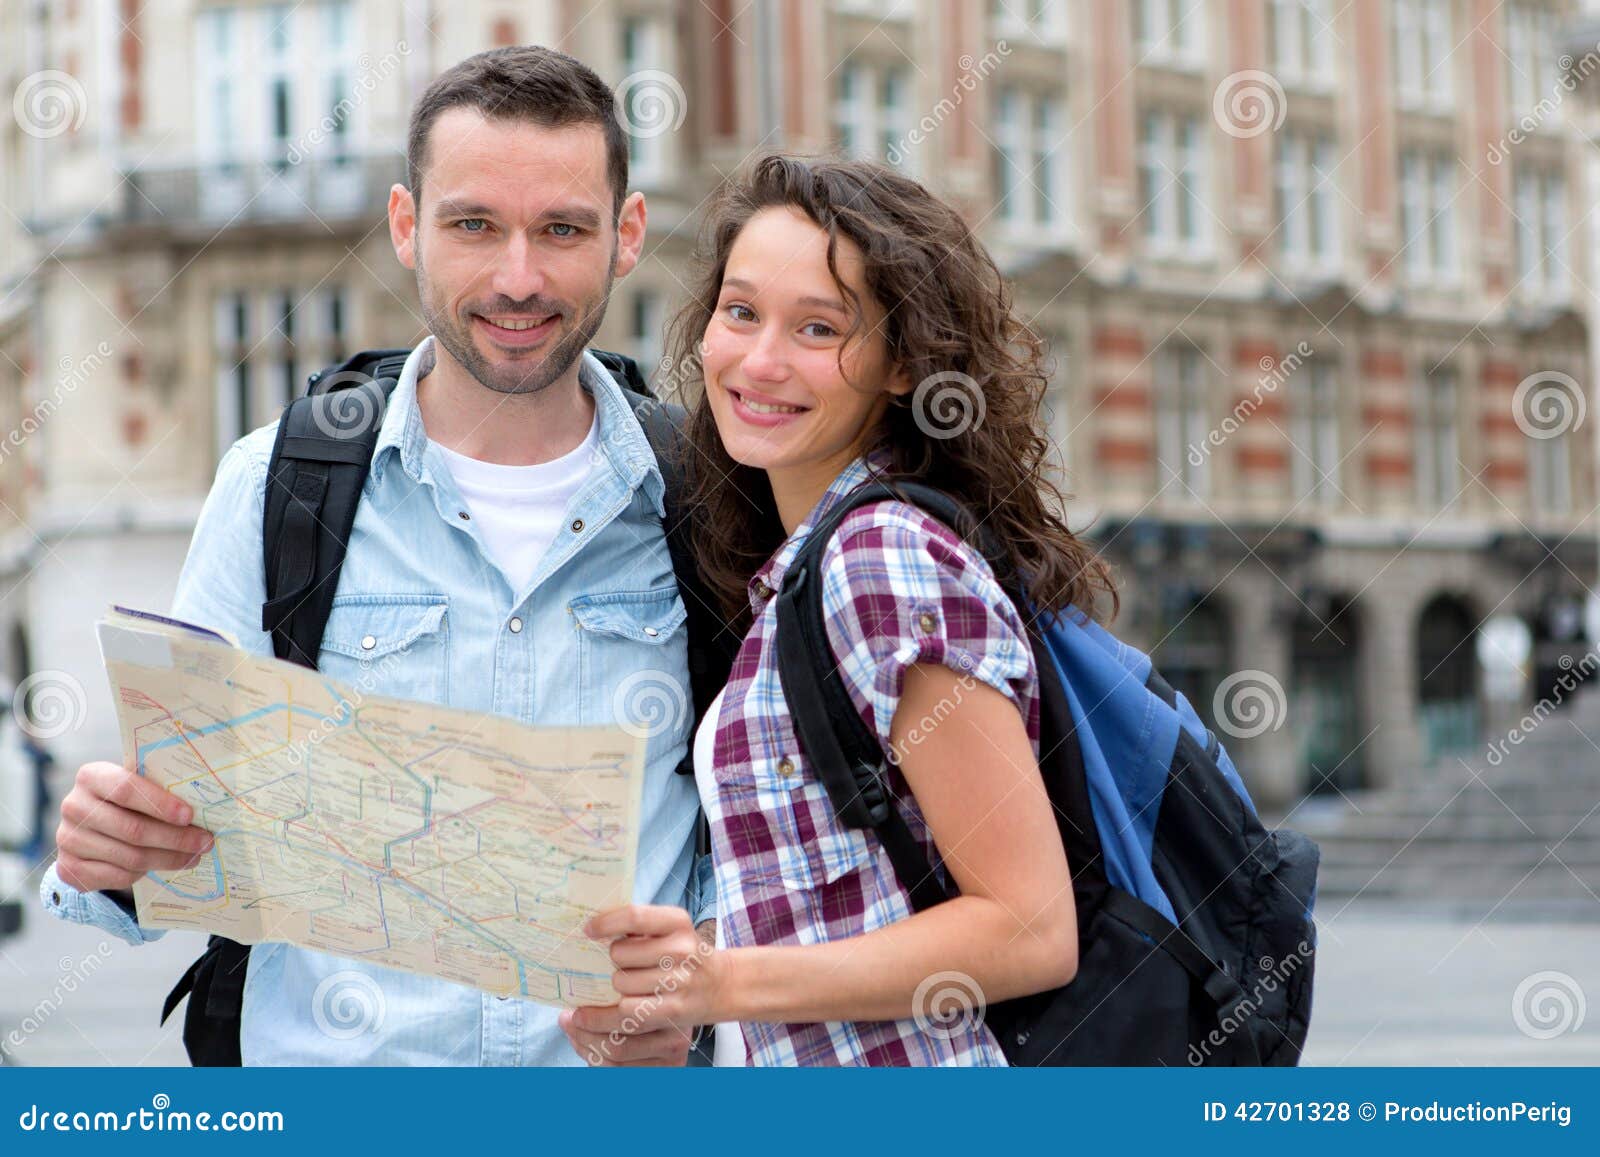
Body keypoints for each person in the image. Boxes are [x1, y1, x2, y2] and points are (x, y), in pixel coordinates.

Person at [41, 46, 711, 1066]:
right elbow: (174, 841)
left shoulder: (707, 501)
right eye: (473, 225)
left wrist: (708, 993)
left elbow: (766, 848)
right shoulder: (272, 486)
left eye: (562, 229)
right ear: (407, 227)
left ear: (627, 235)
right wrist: (111, 851)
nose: (518, 279)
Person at [561, 155, 1118, 1066]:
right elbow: (851, 895)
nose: (760, 361)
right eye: (741, 312)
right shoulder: (807, 560)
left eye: (819, 328)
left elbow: (1028, 927)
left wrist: (723, 981)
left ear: (903, 365)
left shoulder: (880, 557)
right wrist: (689, 991)